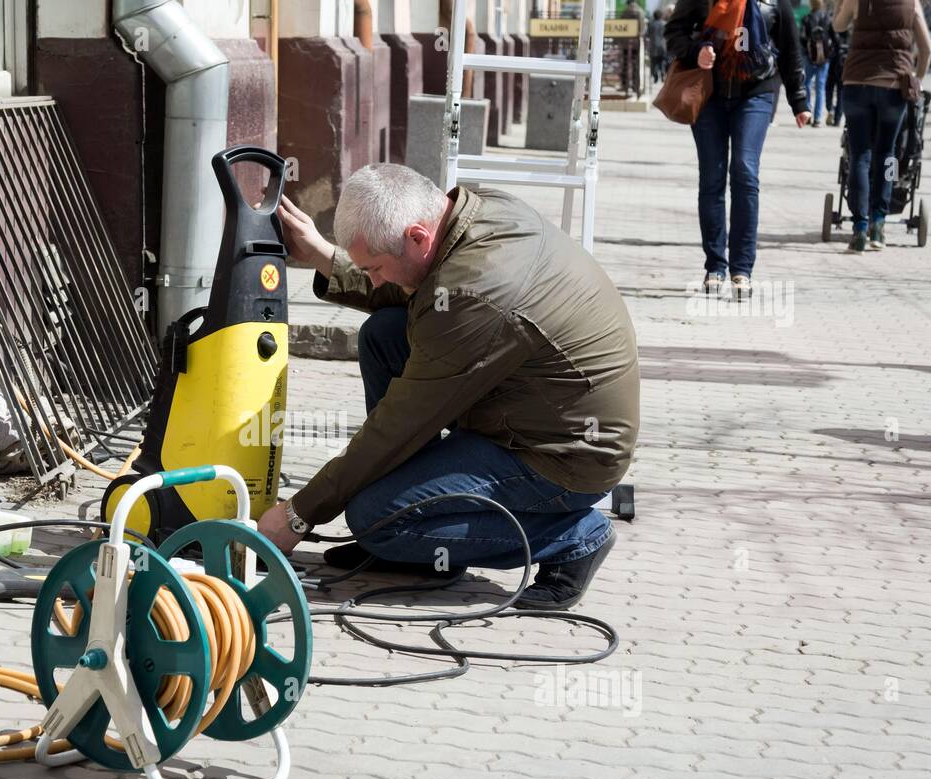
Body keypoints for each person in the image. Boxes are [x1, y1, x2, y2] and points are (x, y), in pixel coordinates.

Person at [257, 164, 640, 611]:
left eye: (375, 267)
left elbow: (399, 425)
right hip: (528, 409)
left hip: (563, 458)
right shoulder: (471, 213)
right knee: (385, 334)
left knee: (375, 518)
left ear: (418, 237)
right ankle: (421, 553)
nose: (375, 279)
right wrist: (326, 255)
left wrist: (299, 514)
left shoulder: (474, 296)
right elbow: (417, 288)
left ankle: (574, 539)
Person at [666, 0, 812, 300]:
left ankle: (742, 269)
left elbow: (790, 50)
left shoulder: (774, 3)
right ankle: (716, 266)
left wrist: (799, 101)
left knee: (745, 170)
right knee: (712, 178)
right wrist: (697, 51)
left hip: (756, 93)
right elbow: (673, 34)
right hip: (709, 94)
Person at [834, 0, 931, 252]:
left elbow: (838, 26)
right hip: (892, 87)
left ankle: (859, 227)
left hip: (856, 82)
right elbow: (927, 49)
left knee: (859, 156)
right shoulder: (911, 3)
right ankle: (878, 223)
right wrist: (917, 81)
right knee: (888, 155)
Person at [801, 0, 837, 126]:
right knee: (820, 88)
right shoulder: (828, 19)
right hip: (824, 59)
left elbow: (802, 38)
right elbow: (834, 38)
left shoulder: (806, 18)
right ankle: (817, 119)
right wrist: (829, 55)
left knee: (806, 84)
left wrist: (807, 53)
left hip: (810, 57)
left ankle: (808, 113)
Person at [622, 0, 650, 95]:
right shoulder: (640, 11)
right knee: (636, 64)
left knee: (624, 63)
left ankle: (624, 84)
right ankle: (635, 86)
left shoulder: (624, 11)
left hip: (625, 42)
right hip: (636, 42)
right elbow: (643, 29)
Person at [826, 25, 850, 125]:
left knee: (829, 88)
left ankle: (830, 108)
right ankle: (837, 118)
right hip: (846, 60)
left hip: (835, 60)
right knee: (841, 91)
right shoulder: (854, 23)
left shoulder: (835, 24)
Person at [649, 8, 670, 82]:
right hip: (663, 46)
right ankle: (663, 74)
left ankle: (655, 76)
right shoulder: (665, 24)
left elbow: (647, 34)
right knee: (662, 62)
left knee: (654, 62)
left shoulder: (651, 24)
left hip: (653, 46)